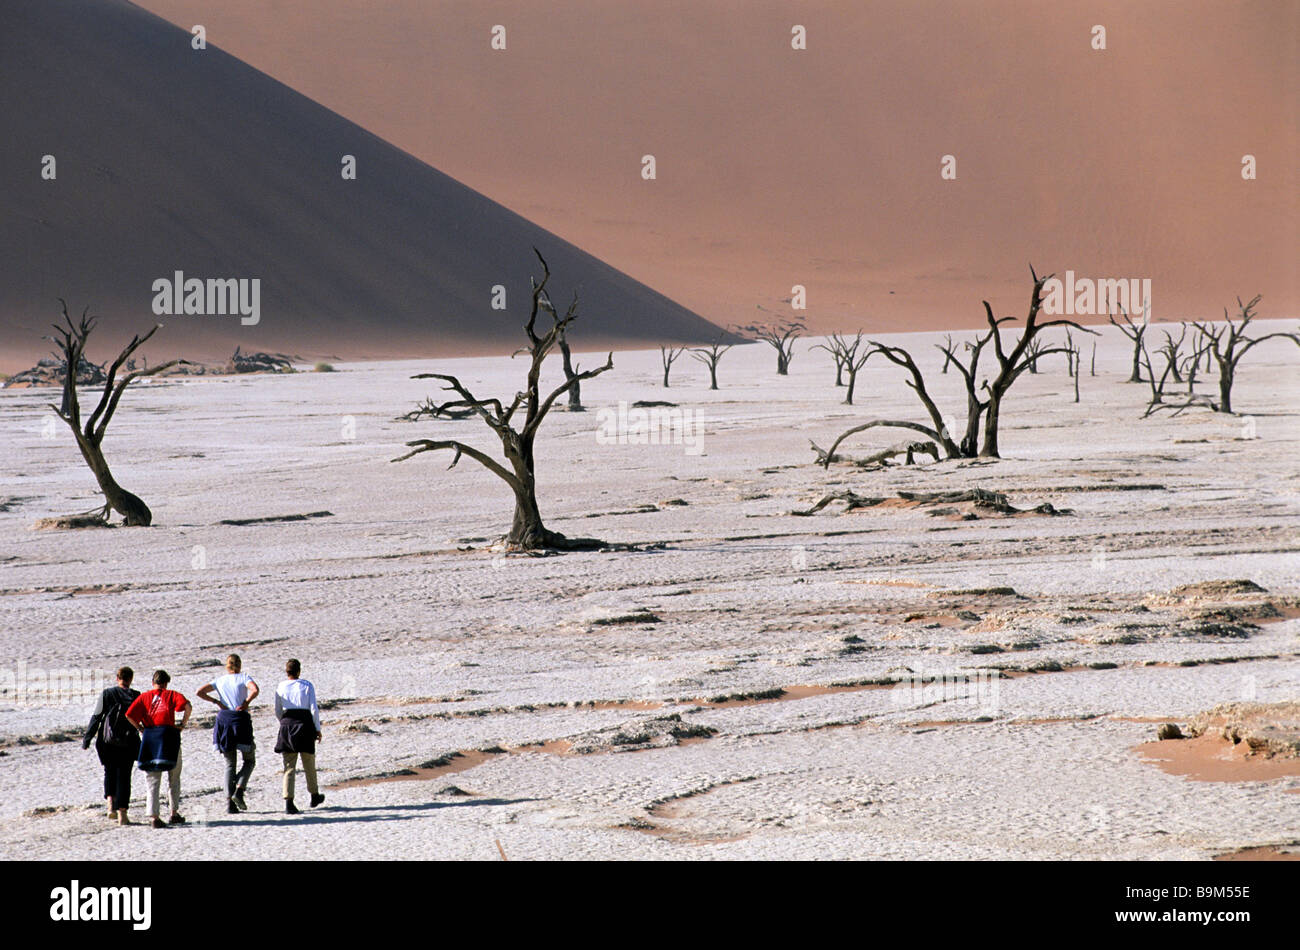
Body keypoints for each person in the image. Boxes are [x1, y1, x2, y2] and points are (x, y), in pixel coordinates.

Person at [125, 669, 191, 829]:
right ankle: (173, 813)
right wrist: (182, 724)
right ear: (166, 682)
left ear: (152, 682)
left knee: (152, 779)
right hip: (169, 736)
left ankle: (154, 816)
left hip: (150, 738)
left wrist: (140, 728)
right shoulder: (171, 694)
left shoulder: (144, 697)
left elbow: (129, 715)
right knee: (174, 777)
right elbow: (187, 706)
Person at [197, 653, 259, 814]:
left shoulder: (220, 680)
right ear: (239, 665)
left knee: (229, 764)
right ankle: (239, 789)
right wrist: (246, 702)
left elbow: (200, 692)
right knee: (249, 760)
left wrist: (217, 702)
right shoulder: (244, 677)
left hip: (224, 719)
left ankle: (229, 802)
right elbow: (255, 689)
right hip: (240, 720)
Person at [83, 666, 140, 826]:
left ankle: (110, 805)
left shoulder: (107, 694)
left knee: (109, 772)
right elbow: (141, 719)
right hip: (128, 742)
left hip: (106, 741)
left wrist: (87, 738)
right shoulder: (136, 696)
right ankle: (122, 815)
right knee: (124, 776)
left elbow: (96, 717)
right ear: (131, 679)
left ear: (117, 678)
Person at [273, 658, 325, 814]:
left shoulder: (281, 686)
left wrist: (283, 722)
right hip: (304, 724)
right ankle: (314, 794)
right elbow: (313, 709)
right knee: (309, 762)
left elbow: (277, 709)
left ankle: (288, 801)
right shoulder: (307, 685)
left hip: (287, 724)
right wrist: (317, 728)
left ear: (286, 671)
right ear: (299, 671)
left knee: (289, 765)